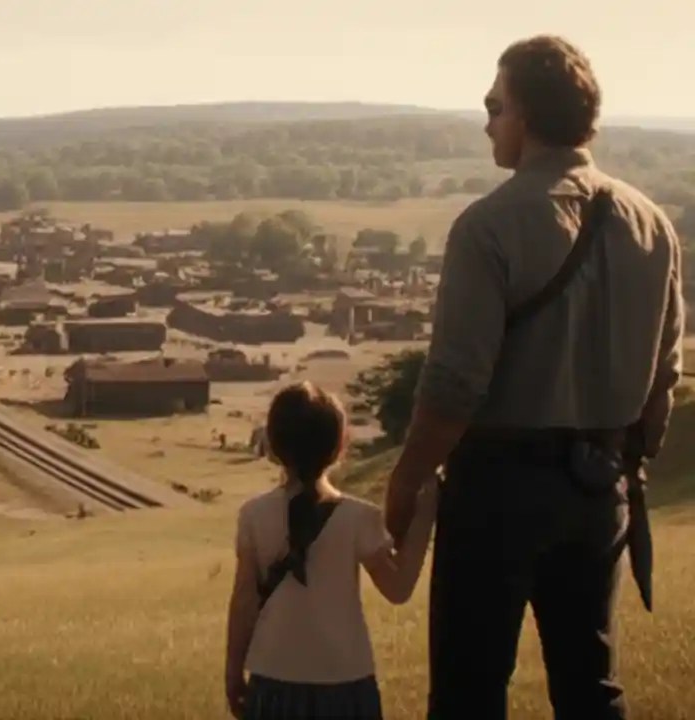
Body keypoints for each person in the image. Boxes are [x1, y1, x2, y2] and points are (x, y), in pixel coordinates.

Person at [382, 35, 684, 719]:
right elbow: (664, 380)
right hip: (600, 483)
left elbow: (455, 384)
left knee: (469, 694)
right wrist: (620, 464)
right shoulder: (653, 224)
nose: (486, 121)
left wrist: (406, 482)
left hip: (498, 489)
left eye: (494, 106)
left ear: (528, 117)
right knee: (592, 690)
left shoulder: (488, 225)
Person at [224, 381, 438, 720]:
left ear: (274, 447)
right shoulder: (359, 518)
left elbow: (244, 602)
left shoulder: (253, 516)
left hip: (274, 677)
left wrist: (233, 671)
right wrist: (424, 516)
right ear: (341, 446)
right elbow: (398, 589)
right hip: (345, 680)